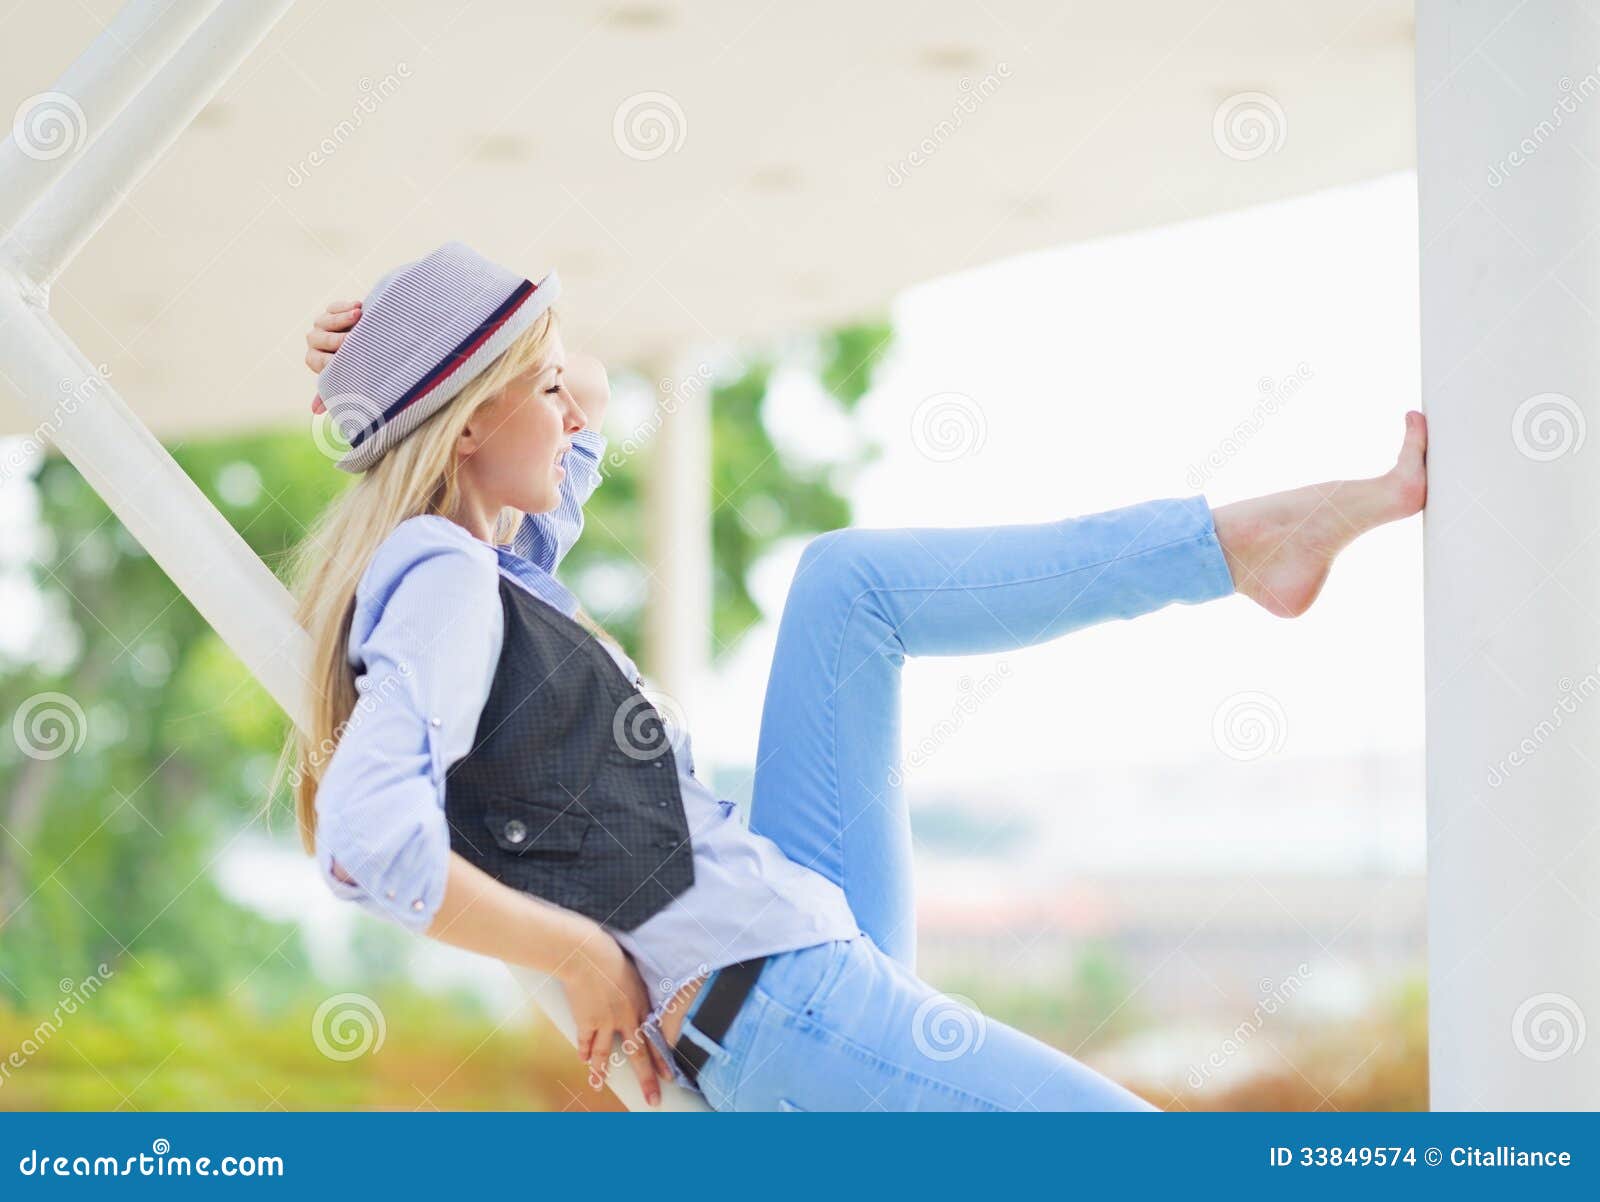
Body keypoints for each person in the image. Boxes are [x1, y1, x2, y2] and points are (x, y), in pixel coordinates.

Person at [278, 240, 1427, 1112]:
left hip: (794, 942)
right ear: (466, 430)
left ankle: (1243, 545)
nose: (572, 406)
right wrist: (577, 955)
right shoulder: (437, 572)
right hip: (768, 998)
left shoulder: (501, 562)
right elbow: (367, 839)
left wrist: (384, 360)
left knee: (847, 585)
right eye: (537, 390)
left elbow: (583, 391)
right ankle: (1251, 548)